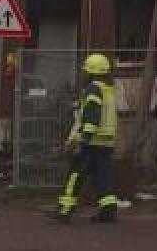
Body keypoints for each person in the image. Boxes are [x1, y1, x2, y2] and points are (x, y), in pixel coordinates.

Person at [52, 53, 119, 223]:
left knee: (75, 175)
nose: (83, 75)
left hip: (91, 142)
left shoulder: (93, 89)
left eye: (85, 71)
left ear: (90, 72)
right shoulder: (109, 90)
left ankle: (64, 210)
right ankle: (108, 211)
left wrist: (82, 139)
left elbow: (90, 116)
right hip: (106, 143)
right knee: (103, 177)